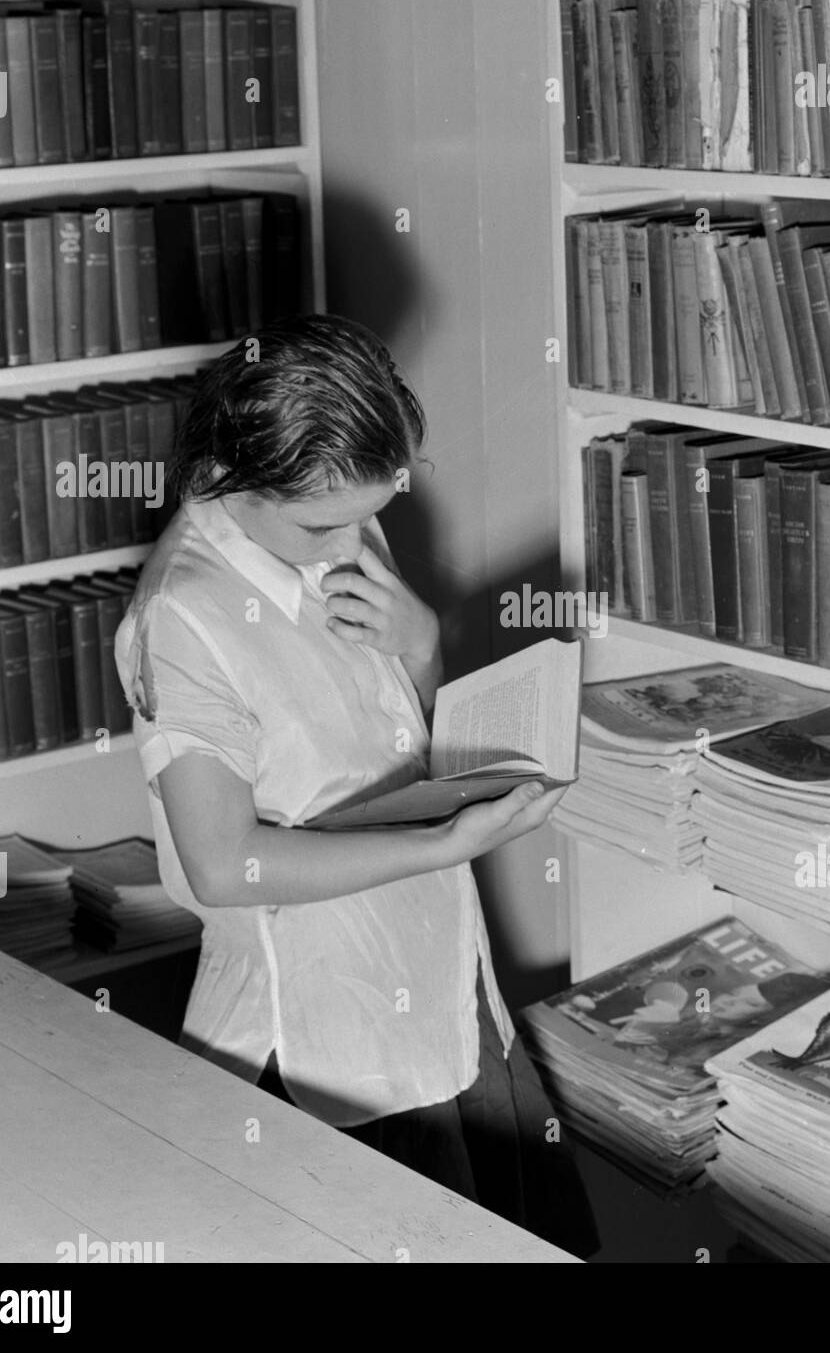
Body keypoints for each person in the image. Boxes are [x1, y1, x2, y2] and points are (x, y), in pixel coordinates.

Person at [114, 314, 597, 1256]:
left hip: (444, 989)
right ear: (226, 472)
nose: (352, 539)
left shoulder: (333, 521)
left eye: (369, 511)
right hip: (327, 1046)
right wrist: (445, 844)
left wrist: (424, 646)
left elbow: (399, 740)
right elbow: (223, 867)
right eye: (325, 523)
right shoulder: (184, 618)